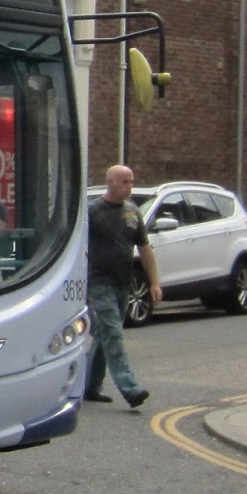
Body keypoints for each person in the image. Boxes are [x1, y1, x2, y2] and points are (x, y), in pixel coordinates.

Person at [84, 164, 161, 409]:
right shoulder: (93, 211)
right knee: (114, 334)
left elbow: (145, 249)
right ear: (110, 183)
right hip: (99, 282)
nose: (130, 186)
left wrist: (154, 282)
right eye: (125, 182)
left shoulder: (132, 212)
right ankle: (131, 388)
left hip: (123, 282)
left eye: (131, 181)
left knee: (104, 335)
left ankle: (89, 386)